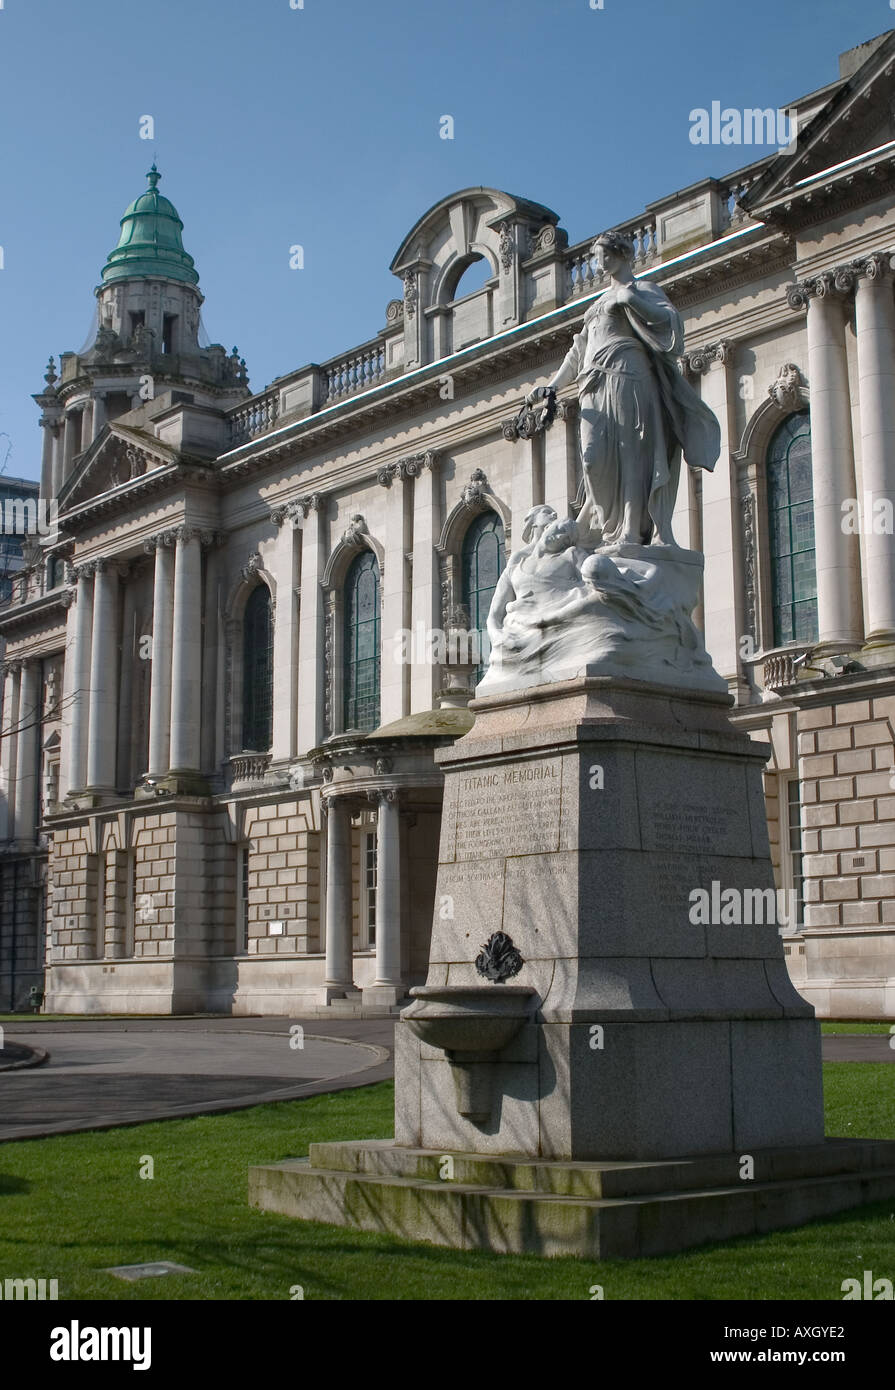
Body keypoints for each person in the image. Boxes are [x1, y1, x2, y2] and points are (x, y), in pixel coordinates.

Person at [527, 231, 720, 547]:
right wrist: (550, 387)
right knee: (592, 458)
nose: (598, 262)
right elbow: (577, 352)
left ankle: (630, 528)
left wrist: (631, 300)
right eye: (595, 256)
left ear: (619, 253)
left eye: (601, 254)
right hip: (591, 384)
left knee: (631, 453)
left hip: (627, 376)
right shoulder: (597, 304)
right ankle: (608, 526)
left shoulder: (642, 290)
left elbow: (670, 324)